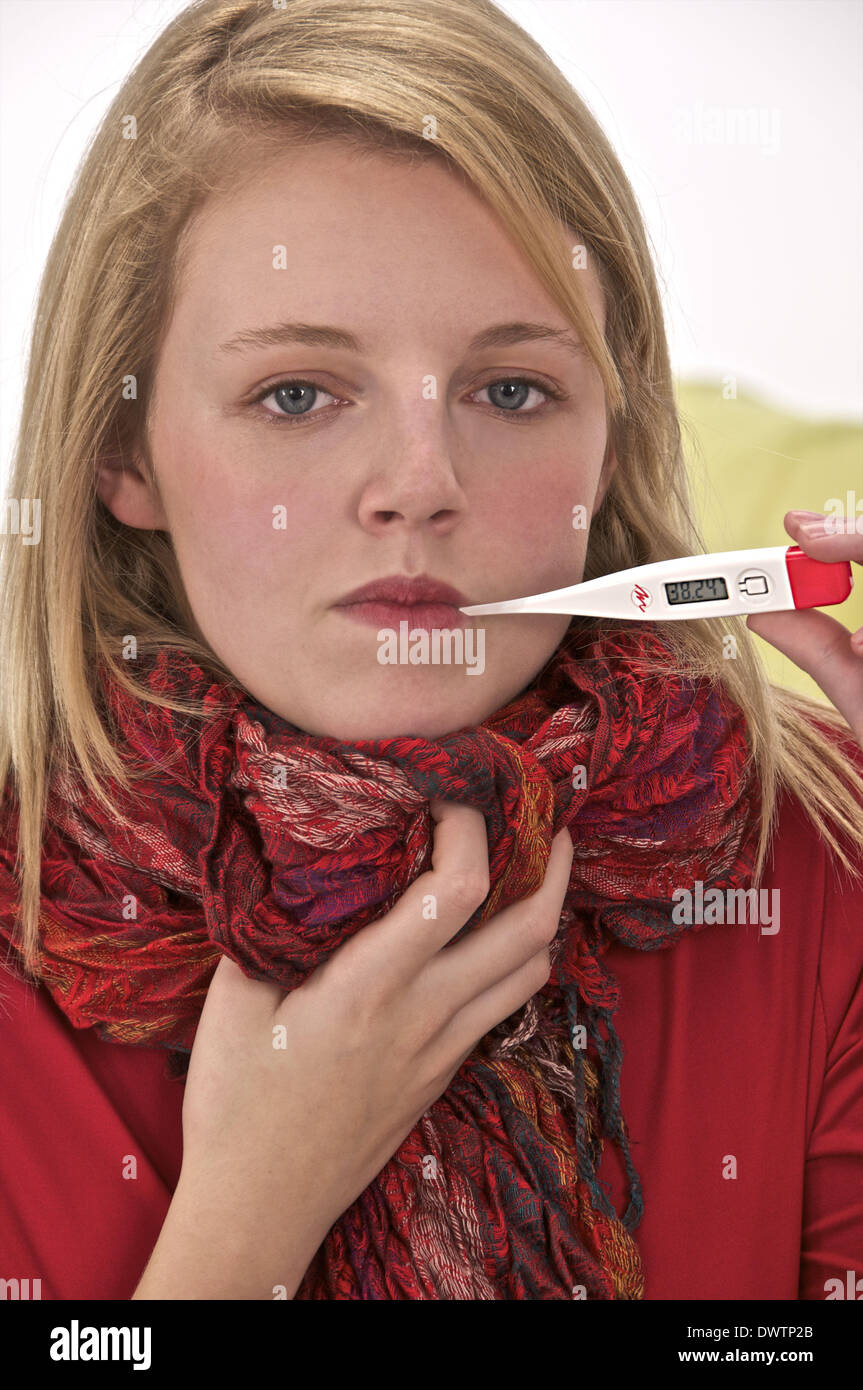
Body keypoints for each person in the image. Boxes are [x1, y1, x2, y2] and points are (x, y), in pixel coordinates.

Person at [0, 0, 860, 1302]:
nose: (421, 484)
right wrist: (247, 1218)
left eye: (510, 390)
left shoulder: (822, 850)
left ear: (609, 443)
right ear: (123, 452)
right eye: (298, 393)